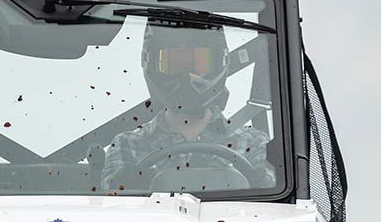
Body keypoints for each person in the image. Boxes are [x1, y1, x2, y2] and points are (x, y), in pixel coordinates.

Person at [100, 23, 274, 192]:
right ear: (152, 66)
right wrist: (125, 193)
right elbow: (111, 205)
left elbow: (273, 206)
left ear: (219, 64)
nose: (186, 76)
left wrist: (264, 189)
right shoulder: (128, 145)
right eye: (174, 65)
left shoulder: (253, 143)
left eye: (198, 64)